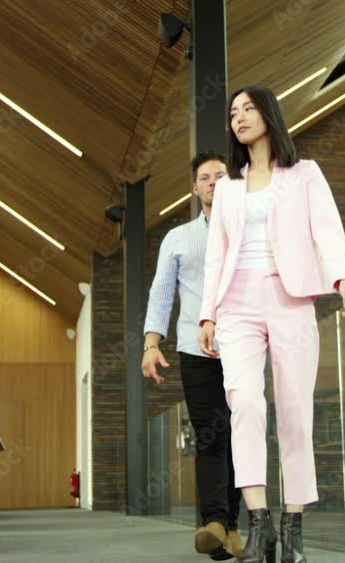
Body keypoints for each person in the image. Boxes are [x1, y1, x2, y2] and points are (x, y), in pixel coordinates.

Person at [197, 85, 345, 563]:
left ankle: (293, 529)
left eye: (248, 108)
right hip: (237, 303)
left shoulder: (305, 175)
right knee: (245, 402)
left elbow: (326, 228)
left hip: (291, 299)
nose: (239, 117)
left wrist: (342, 278)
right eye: (233, 112)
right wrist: (208, 313)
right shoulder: (226, 188)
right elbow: (216, 256)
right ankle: (259, 524)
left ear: (269, 114)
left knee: (294, 411)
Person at [142, 150, 243, 560]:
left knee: (242, 437)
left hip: (244, 346)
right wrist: (151, 344)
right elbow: (161, 293)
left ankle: (232, 526)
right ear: (195, 187)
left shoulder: (246, 231)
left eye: (221, 175)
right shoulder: (179, 237)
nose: (214, 182)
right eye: (206, 177)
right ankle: (215, 523)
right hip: (195, 350)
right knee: (211, 435)